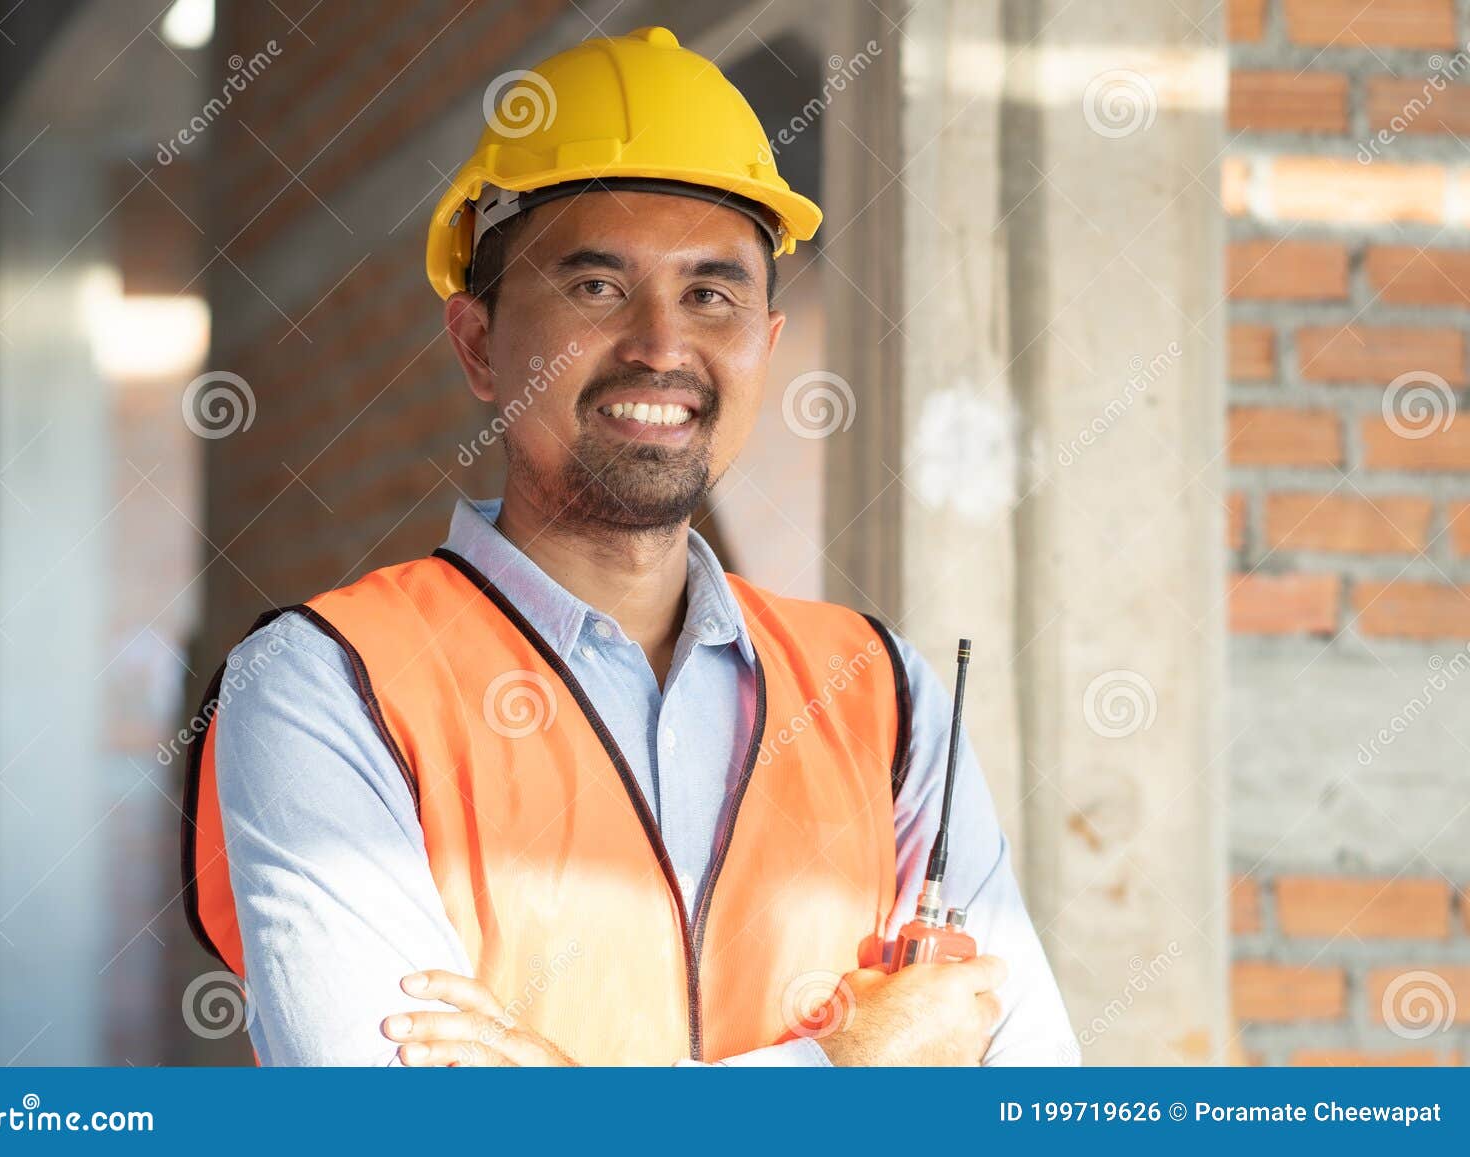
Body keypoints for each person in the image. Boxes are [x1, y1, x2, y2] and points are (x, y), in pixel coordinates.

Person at [181, 25, 1078, 1067]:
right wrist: (844, 1067)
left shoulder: (884, 696)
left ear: (766, 345)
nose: (661, 344)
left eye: (711, 293)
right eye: (597, 287)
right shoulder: (326, 683)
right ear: (478, 343)